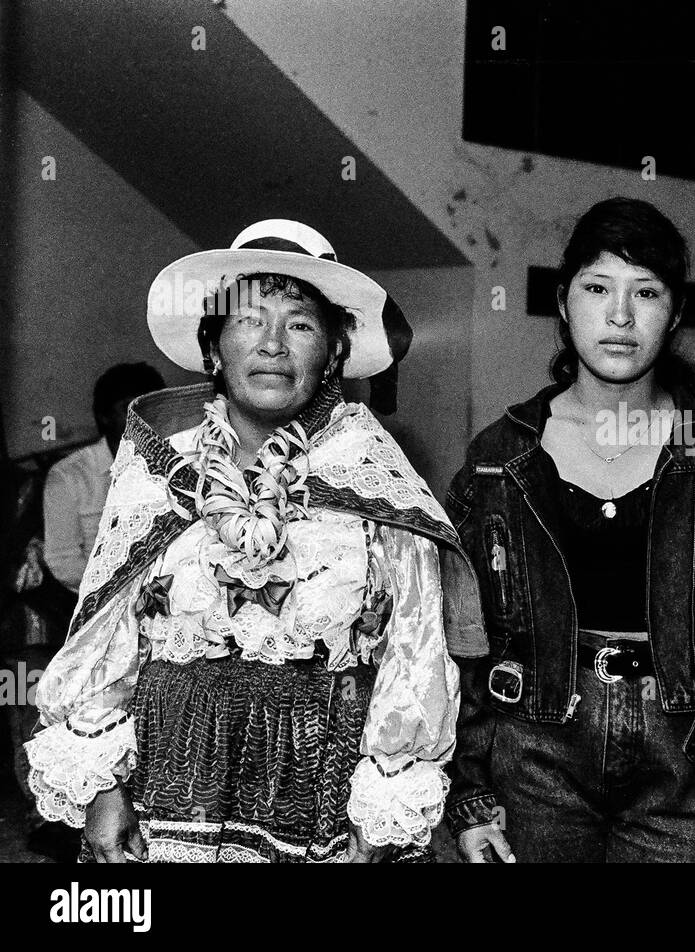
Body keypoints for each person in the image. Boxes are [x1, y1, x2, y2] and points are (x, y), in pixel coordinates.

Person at [26, 219, 486, 862]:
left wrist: (380, 819)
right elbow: (105, 636)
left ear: (331, 355)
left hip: (320, 797)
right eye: (248, 320)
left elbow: (413, 653)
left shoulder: (374, 476)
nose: (273, 343)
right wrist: (102, 793)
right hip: (167, 796)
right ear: (213, 348)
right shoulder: (157, 467)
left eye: (300, 324)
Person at [445, 198, 695, 862]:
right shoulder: (503, 456)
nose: (621, 316)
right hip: (536, 749)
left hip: (682, 758)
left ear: (677, 312)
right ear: (564, 303)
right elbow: (467, 643)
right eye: (598, 287)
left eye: (647, 293)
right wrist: (470, 795)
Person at [43, 363, 166, 596]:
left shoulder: (171, 463)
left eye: (150, 408)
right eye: (128, 409)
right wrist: (125, 586)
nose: (142, 420)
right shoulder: (68, 476)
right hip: (96, 600)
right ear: (105, 416)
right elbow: (62, 562)